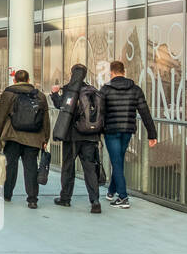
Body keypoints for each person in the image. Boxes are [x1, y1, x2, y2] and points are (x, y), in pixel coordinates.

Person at [100, 60, 158, 209]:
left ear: (111, 73)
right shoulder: (135, 89)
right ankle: (111, 191)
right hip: (127, 130)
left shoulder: (105, 90)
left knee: (117, 162)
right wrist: (152, 134)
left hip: (111, 131)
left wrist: (97, 131)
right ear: (124, 72)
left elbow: (100, 113)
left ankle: (123, 197)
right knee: (118, 160)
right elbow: (145, 112)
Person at [0, 69, 49, 208]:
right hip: (34, 138)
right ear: (28, 80)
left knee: (11, 166)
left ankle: (8, 194)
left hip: (13, 136)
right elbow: (45, 118)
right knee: (31, 168)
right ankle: (32, 199)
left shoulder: (9, 94)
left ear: (14, 80)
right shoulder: (39, 95)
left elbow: (0, 116)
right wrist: (45, 138)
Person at [50, 64, 105, 213]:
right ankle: (95, 201)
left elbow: (62, 106)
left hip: (72, 136)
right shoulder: (92, 91)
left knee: (68, 167)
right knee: (90, 169)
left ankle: (65, 198)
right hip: (90, 137)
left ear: (72, 73)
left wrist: (54, 94)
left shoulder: (70, 90)